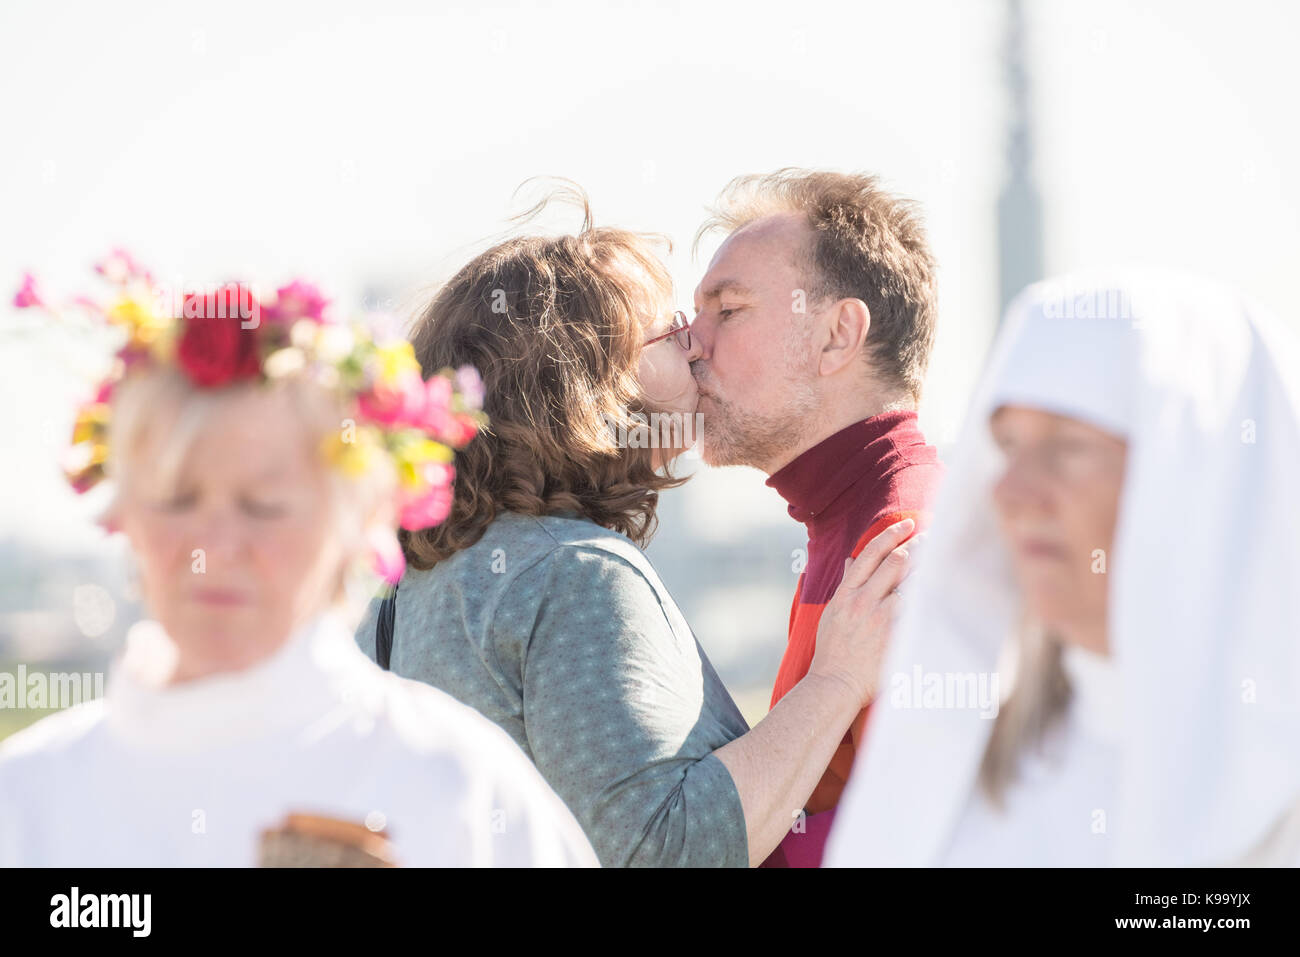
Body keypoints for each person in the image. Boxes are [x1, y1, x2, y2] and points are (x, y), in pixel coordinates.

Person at [354, 189, 912, 867]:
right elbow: (663, 850)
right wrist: (837, 681)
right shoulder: (577, 573)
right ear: (588, 383)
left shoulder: (404, 592)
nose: (698, 345)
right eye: (672, 332)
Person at [0, 260, 597, 867]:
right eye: (176, 500)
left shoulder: (462, 791)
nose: (216, 547)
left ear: (357, 521)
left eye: (264, 507)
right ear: (122, 512)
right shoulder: (24, 803)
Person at [826, 270, 1300, 866]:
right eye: (1008, 446)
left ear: (1208, 480)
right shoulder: (959, 774)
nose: (1013, 492)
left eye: (1070, 447)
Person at [688, 169, 945, 865]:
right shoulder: (850, 523)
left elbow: (934, 840)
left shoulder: (903, 543)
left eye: (728, 310)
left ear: (839, 335)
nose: (692, 344)